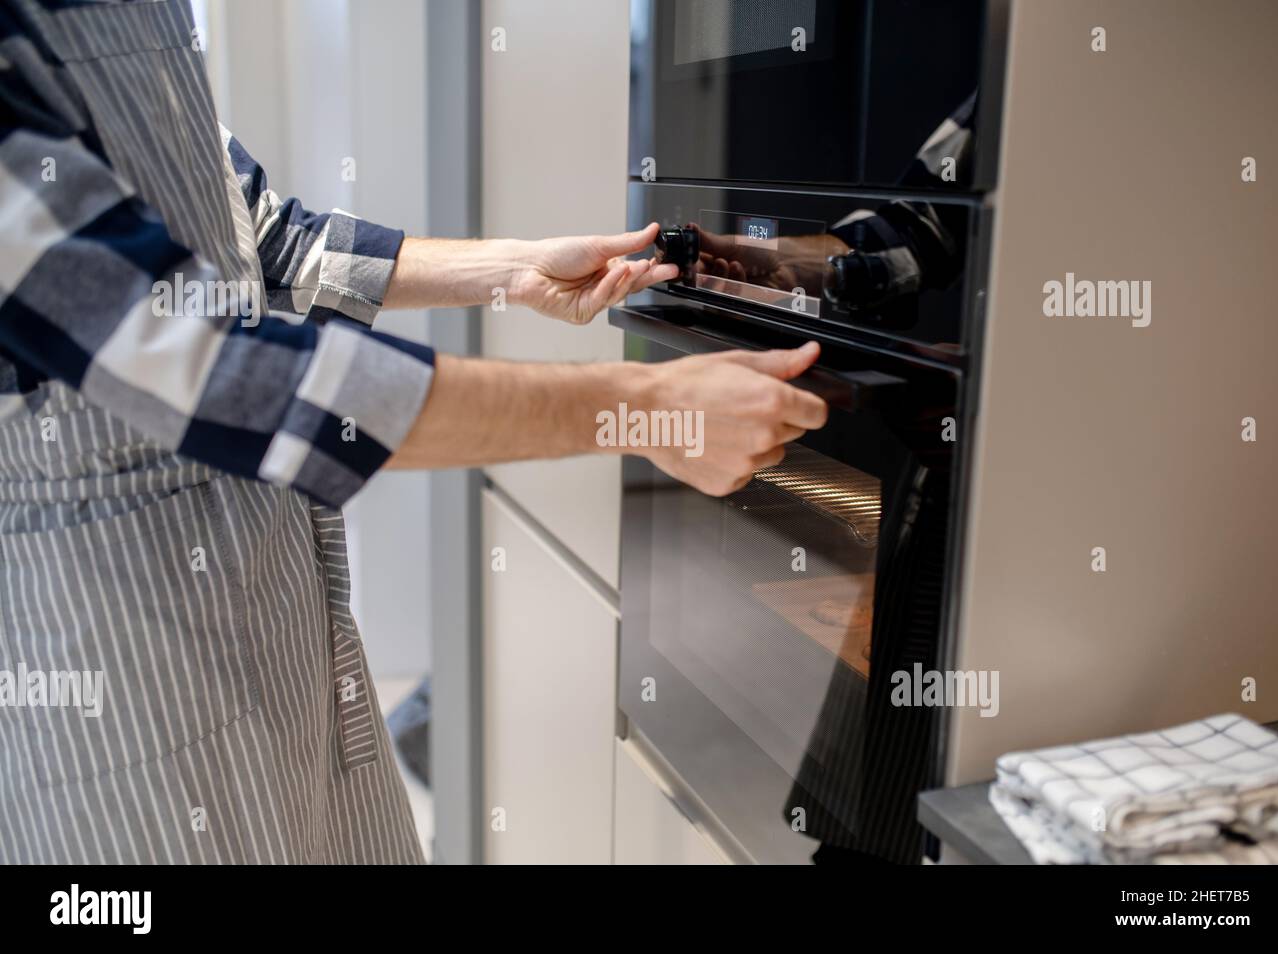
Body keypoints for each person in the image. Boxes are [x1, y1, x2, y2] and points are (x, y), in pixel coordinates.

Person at [0, 0, 826, 864]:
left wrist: (511, 269)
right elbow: (206, 363)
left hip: (268, 592)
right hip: (114, 643)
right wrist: (639, 408)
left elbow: (264, 240)